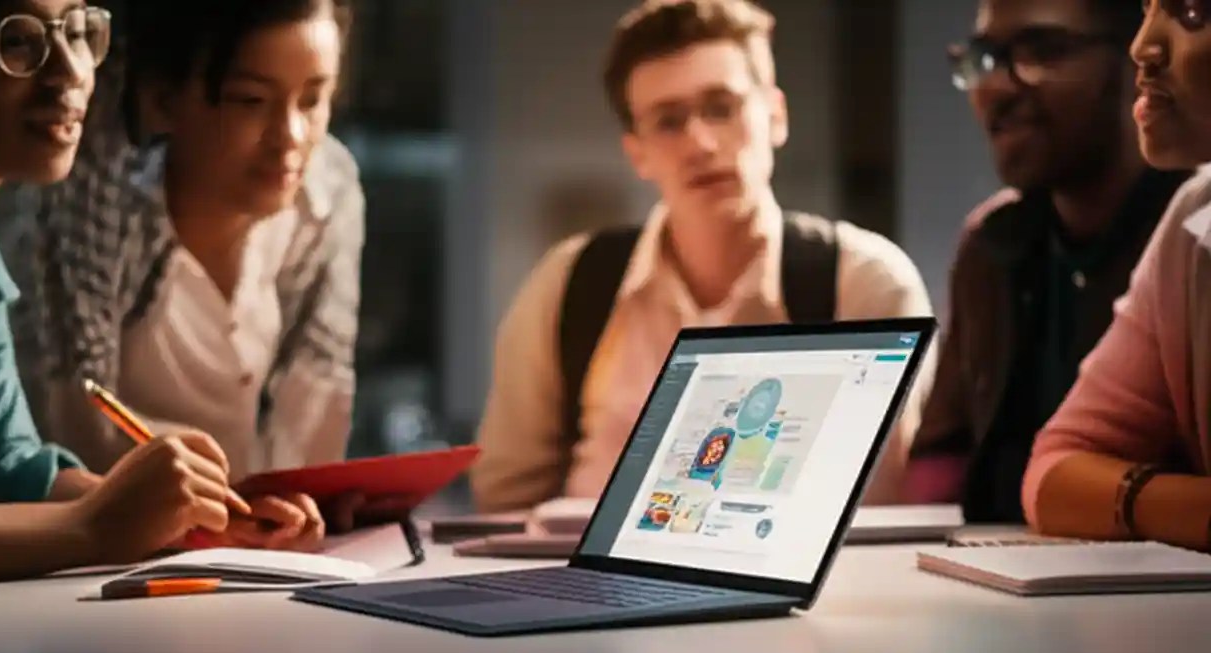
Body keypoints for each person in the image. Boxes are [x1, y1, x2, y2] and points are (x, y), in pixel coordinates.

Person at [470, 0, 935, 512]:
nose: (700, 142)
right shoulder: (571, 284)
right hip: (590, 582)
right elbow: (504, 504)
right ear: (637, 151)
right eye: (668, 121)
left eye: (722, 107)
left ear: (775, 116)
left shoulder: (863, 284)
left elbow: (876, 511)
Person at [0, 0, 265, 585]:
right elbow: (73, 519)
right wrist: (94, 526)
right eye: (18, 40)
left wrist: (179, 515)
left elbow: (3, 476)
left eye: (81, 31)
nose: (71, 72)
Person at [2, 0, 366, 534]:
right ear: (162, 97)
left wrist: (308, 510)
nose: (290, 136)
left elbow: (316, 400)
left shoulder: (326, 195)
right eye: (251, 101)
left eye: (314, 100)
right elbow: (77, 426)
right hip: (103, 541)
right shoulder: (94, 199)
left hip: (252, 544)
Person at [906, 0, 1189, 522]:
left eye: (1043, 50)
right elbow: (939, 460)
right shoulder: (993, 243)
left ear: (1137, 61)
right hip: (997, 581)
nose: (995, 86)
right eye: (985, 57)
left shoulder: (1191, 235)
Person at [1024, 0, 1211, 551]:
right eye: (1150, 8)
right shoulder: (1192, 227)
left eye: (1194, 14)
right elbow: (1056, 472)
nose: (1143, 47)